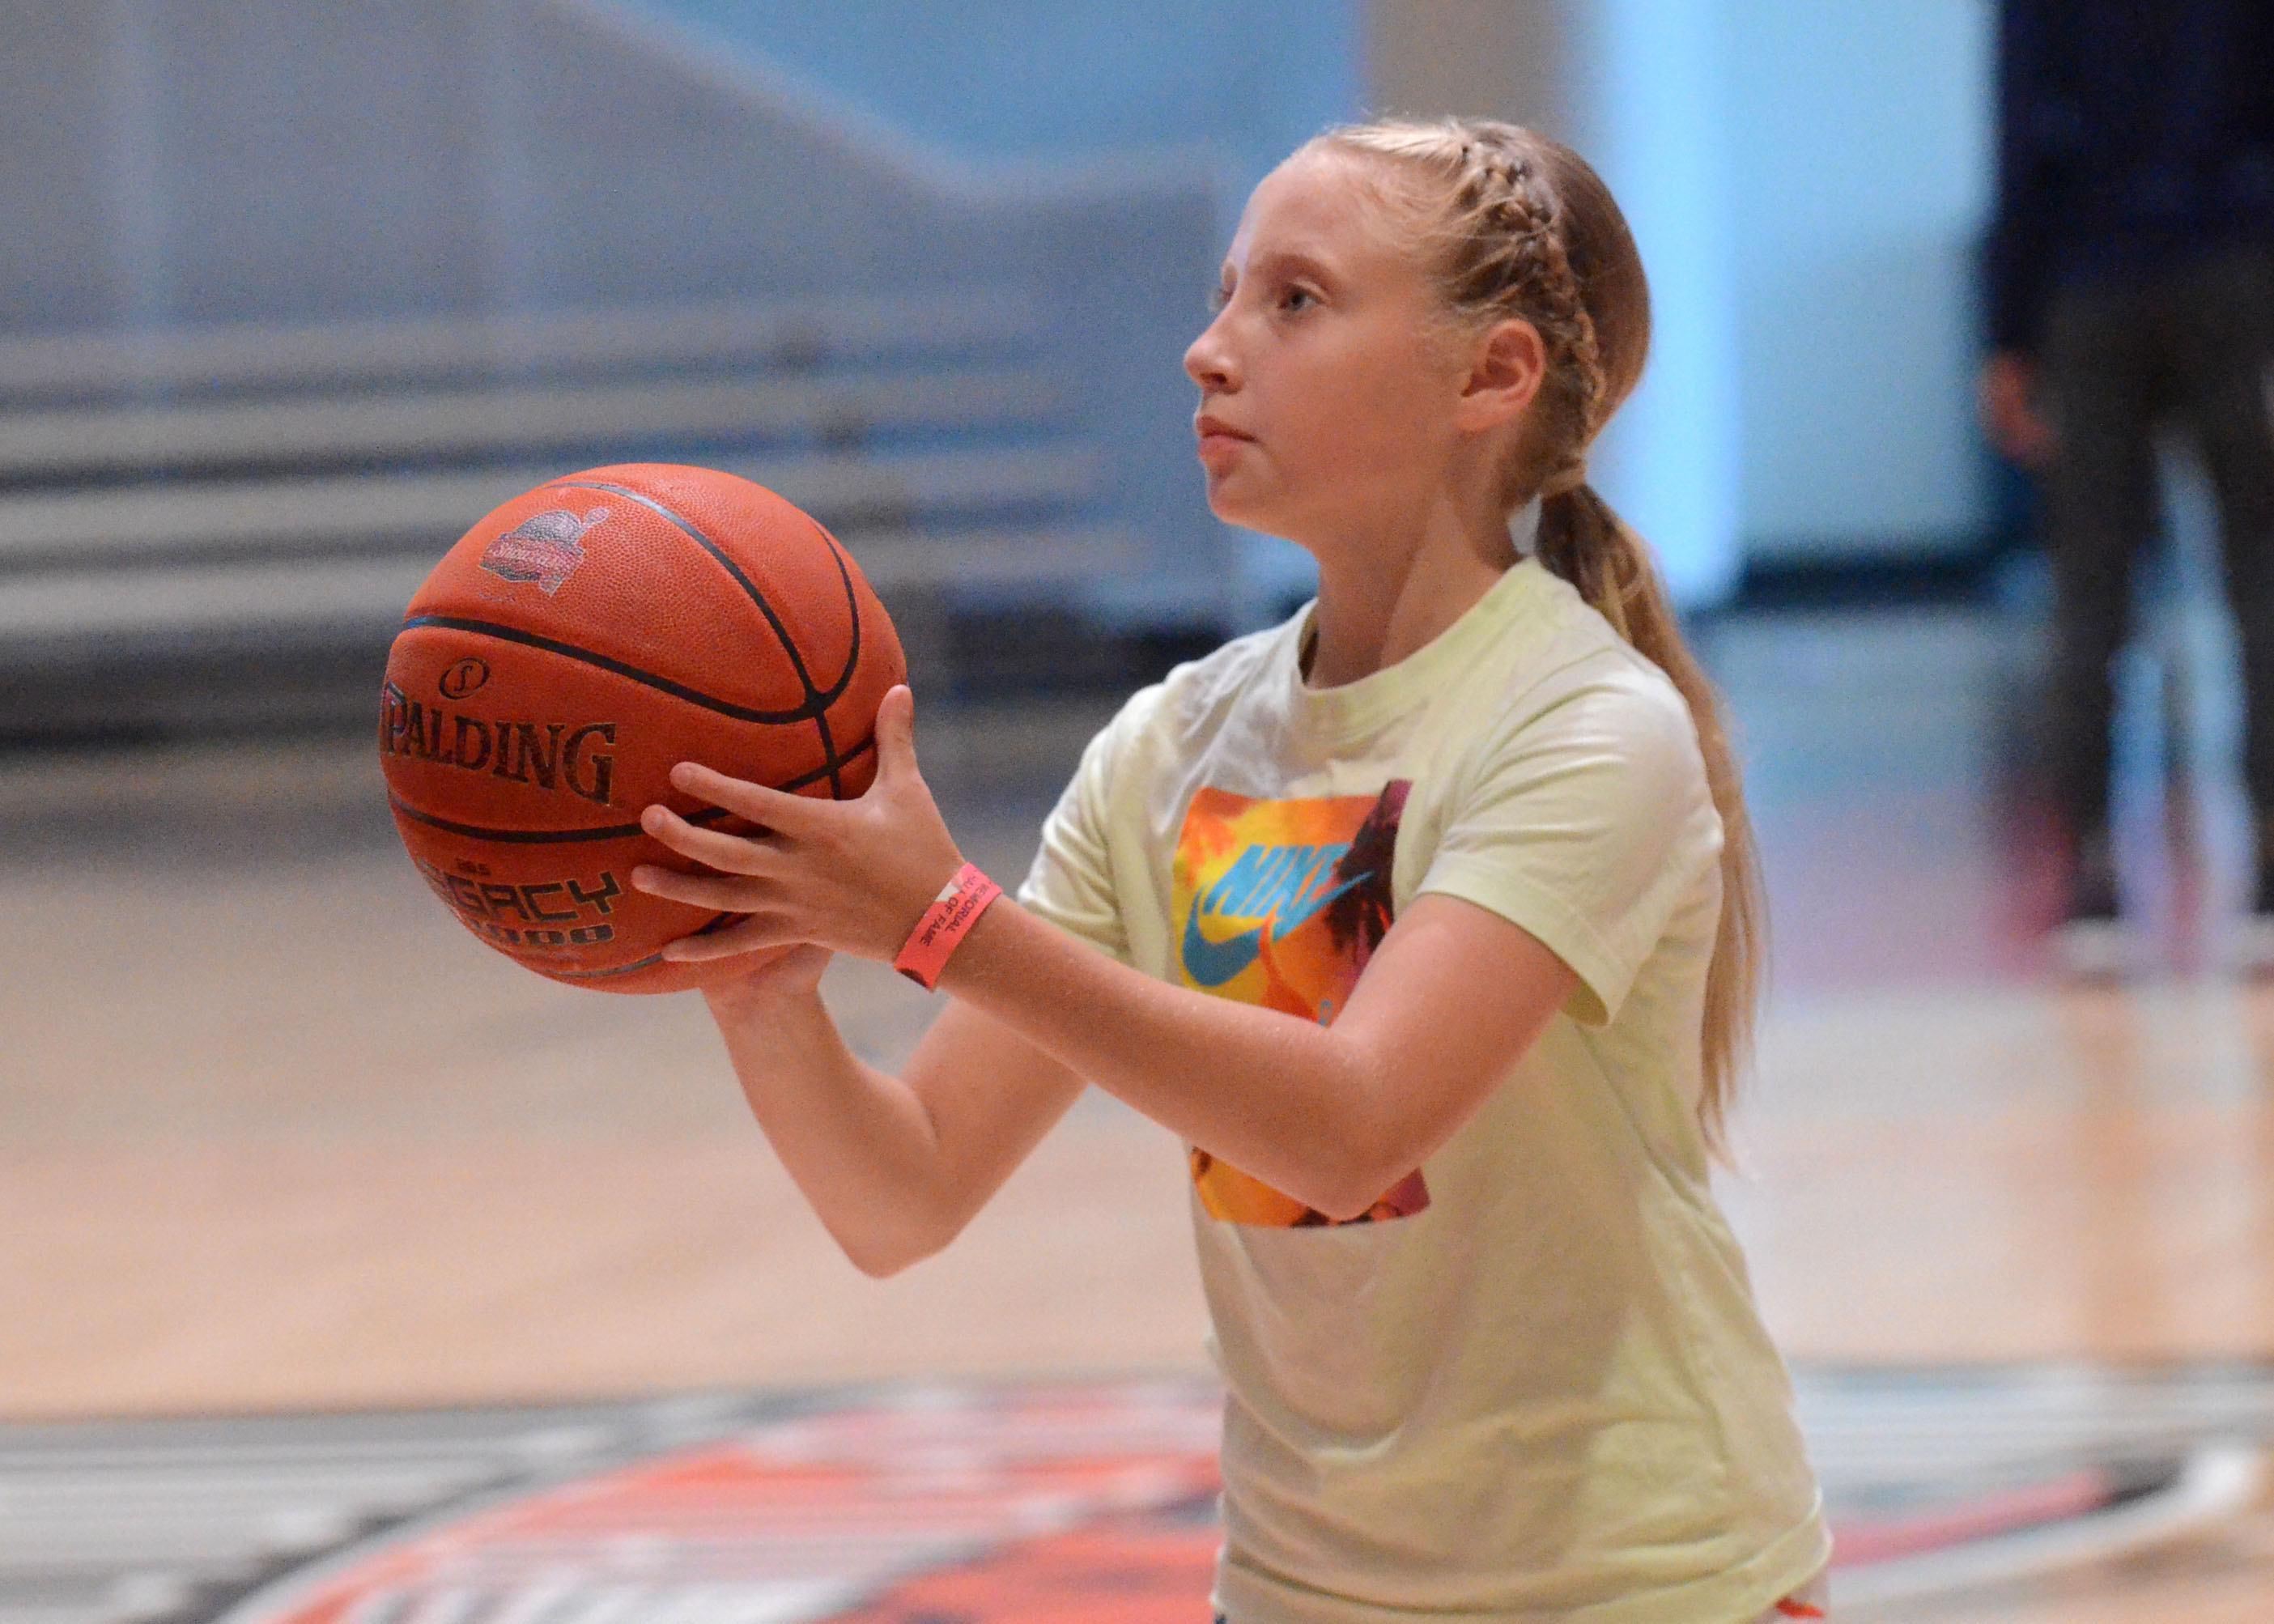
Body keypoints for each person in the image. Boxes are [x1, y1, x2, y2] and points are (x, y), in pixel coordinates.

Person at [631, 118, 1830, 1622]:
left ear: (1490, 375)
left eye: (1295, 301)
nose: (1208, 352)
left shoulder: (1587, 728)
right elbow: (904, 1192)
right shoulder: (1169, 746)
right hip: (1300, 1588)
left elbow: (1350, 1125)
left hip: (1640, 1577)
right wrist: (764, 994)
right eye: (1222, 297)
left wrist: (941, 922)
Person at [1980, 0, 2274, 975]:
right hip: (2236, 271)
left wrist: (2007, 330)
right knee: (2261, 580)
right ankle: (2268, 859)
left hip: (2092, 280)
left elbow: (2023, 135)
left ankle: (2094, 876)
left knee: (2091, 591)